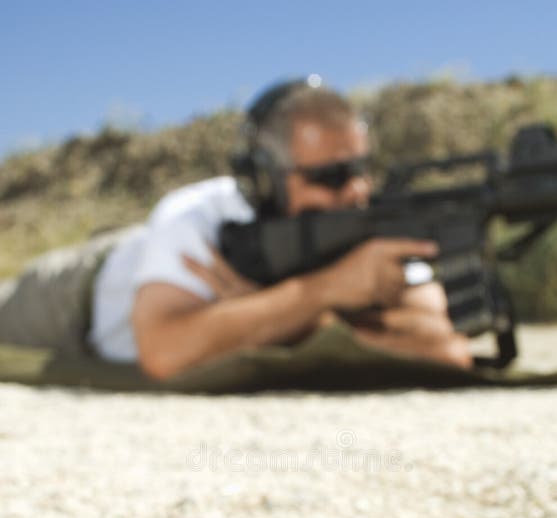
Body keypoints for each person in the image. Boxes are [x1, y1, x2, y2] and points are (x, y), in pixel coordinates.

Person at [91, 77, 472, 378]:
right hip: (82, 289)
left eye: (361, 170)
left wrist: (291, 314)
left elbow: (447, 349)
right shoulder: (194, 216)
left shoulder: (363, 225)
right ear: (265, 179)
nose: (357, 191)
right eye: (331, 176)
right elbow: (164, 354)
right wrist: (327, 290)